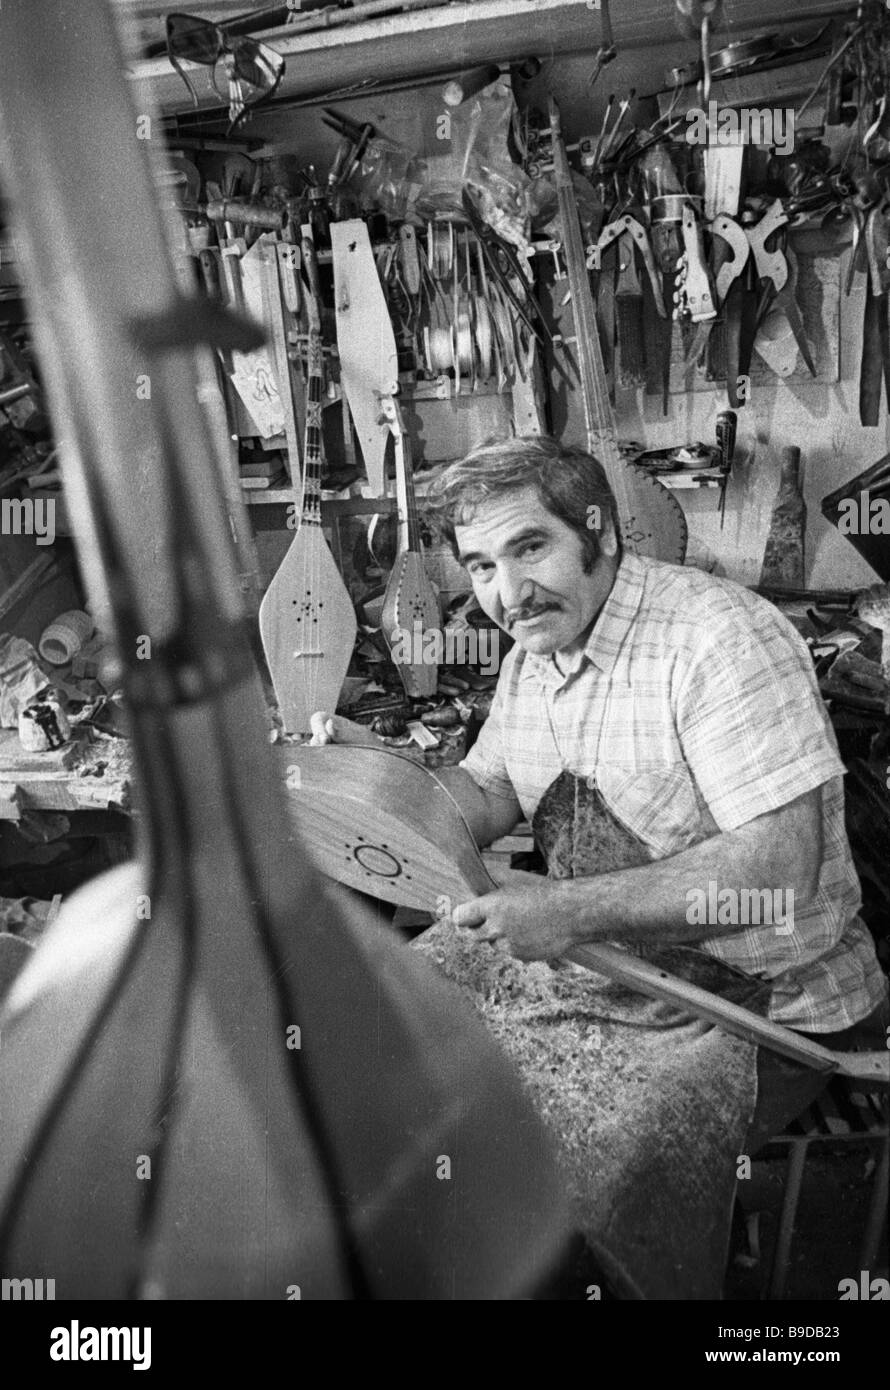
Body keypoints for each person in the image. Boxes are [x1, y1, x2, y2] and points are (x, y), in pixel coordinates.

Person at [311, 434, 888, 1298]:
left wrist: (572, 911)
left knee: (545, 1188)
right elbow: (487, 789)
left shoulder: (717, 639)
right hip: (604, 972)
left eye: (529, 548)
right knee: (358, 1061)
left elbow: (778, 871)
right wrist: (366, 788)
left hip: (758, 1007)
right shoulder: (534, 651)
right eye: (480, 566)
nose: (506, 594)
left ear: (602, 532)